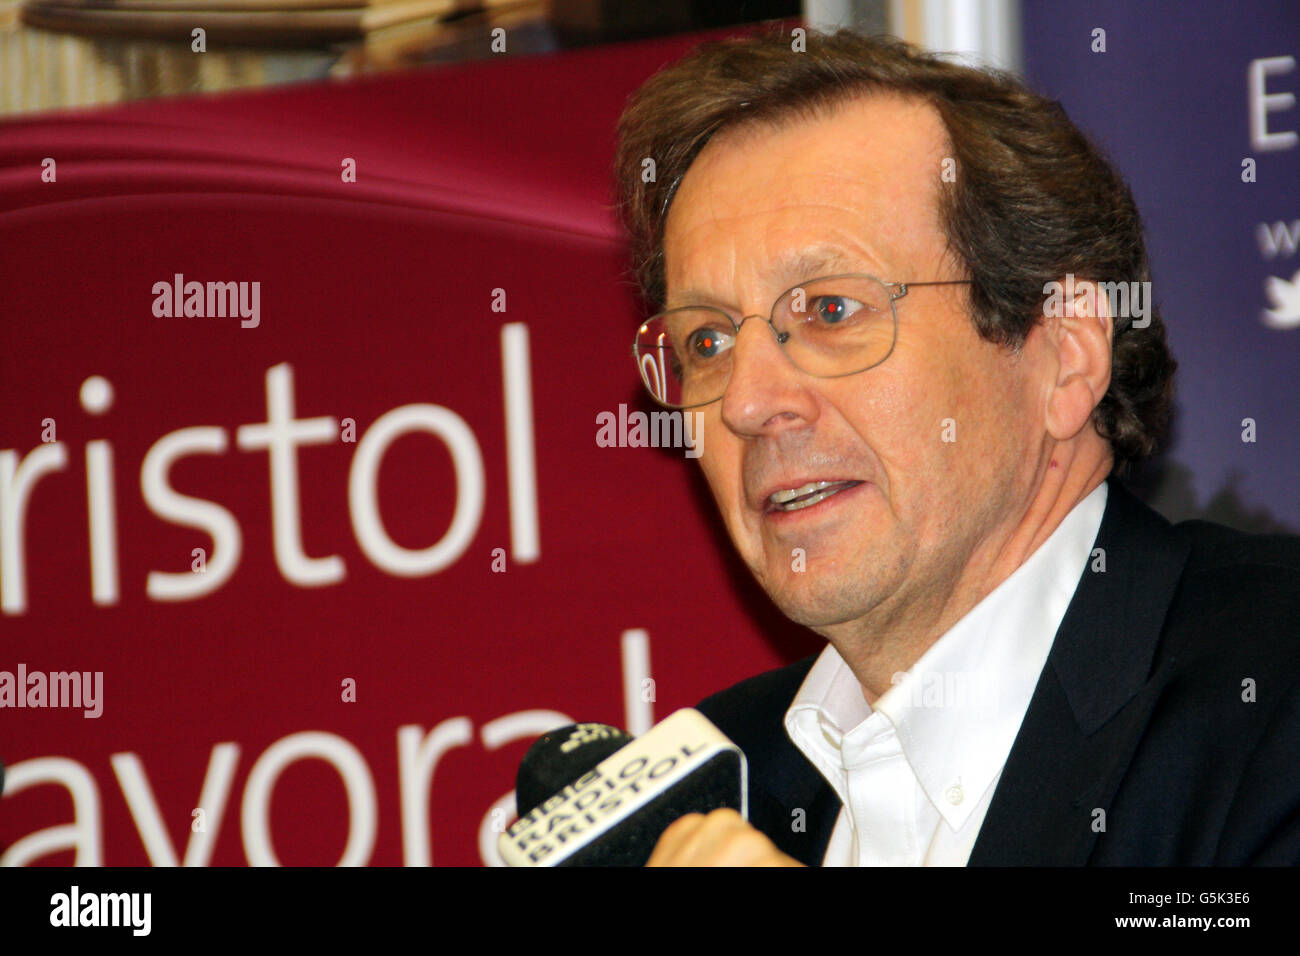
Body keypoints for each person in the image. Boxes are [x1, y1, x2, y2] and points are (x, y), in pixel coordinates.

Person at [612, 29, 1300, 867]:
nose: (749, 404)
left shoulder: (1269, 696)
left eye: (830, 311)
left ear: (1063, 352)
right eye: (707, 343)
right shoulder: (712, 788)